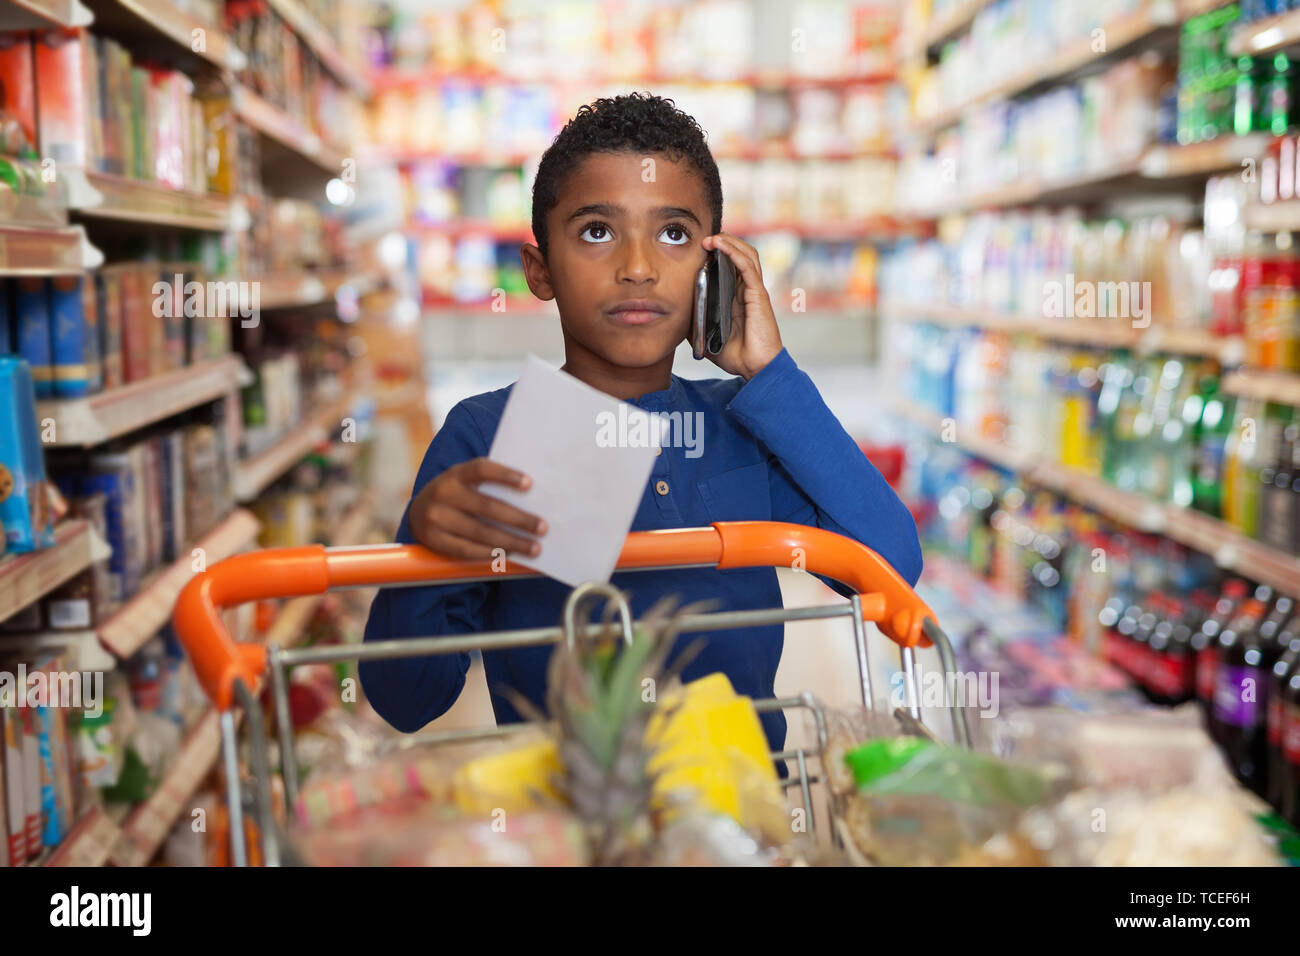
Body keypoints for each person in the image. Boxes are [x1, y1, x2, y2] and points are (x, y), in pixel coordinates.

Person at [360, 93, 922, 761]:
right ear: (539, 270)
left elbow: (890, 566)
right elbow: (407, 699)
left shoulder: (743, 423)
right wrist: (429, 552)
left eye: (675, 234)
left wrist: (768, 372)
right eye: (597, 230)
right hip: (575, 822)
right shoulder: (487, 436)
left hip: (744, 812)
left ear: (716, 273)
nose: (638, 266)